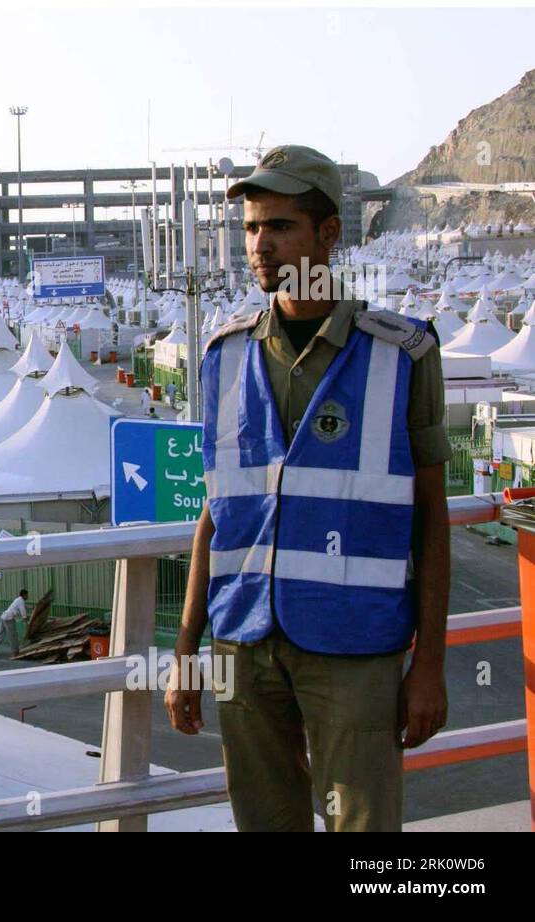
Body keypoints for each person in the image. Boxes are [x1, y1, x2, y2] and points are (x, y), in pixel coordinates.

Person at [164, 145, 451, 833]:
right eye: (252, 228)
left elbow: (431, 519)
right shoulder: (224, 354)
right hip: (243, 643)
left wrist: (431, 665)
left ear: (328, 234)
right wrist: (183, 653)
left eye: (280, 227)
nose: (260, 245)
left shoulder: (402, 354)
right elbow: (217, 513)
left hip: (356, 648)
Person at [0, 589, 30, 655]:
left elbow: (23, 607)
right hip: (9, 619)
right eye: (27, 595)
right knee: (13, 635)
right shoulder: (21, 601)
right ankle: (15, 651)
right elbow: (23, 613)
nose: (28, 596)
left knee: (0, 634)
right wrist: (27, 623)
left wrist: (30, 609)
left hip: (4, 617)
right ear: (24, 595)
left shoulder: (18, 600)